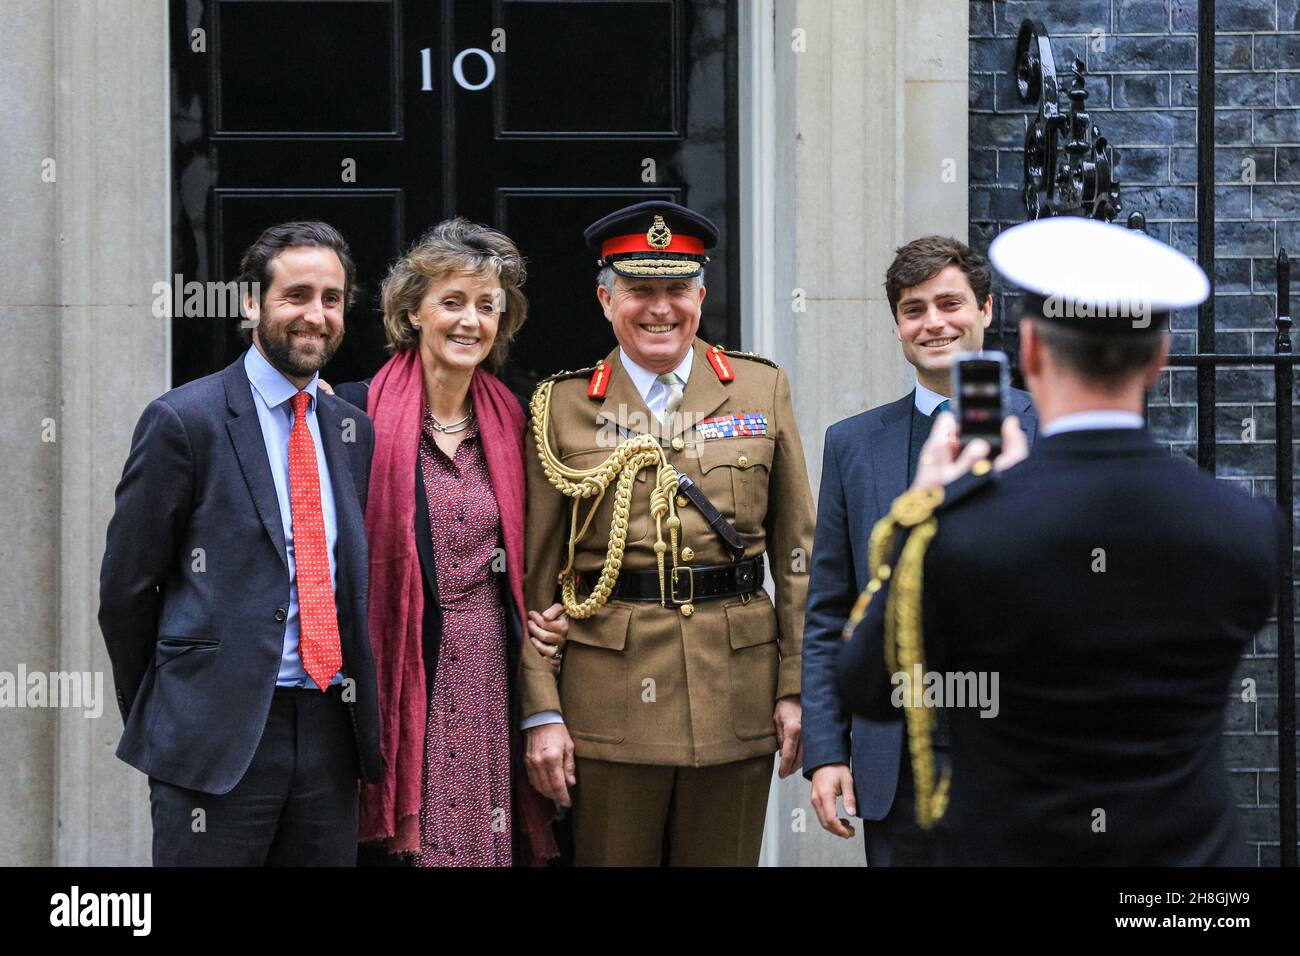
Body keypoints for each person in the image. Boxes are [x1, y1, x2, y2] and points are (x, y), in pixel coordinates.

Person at [836, 216, 1282, 865]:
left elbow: (867, 682)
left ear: (1034, 352)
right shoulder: (1247, 527)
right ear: (1158, 358)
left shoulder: (962, 528)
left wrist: (922, 507)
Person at [519, 200, 816, 866]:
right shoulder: (562, 405)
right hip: (609, 699)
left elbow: (799, 558)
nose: (661, 308)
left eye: (677, 289)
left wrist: (797, 686)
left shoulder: (760, 390)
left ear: (701, 295)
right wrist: (541, 709)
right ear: (605, 299)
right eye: (640, 290)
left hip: (738, 693)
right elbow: (537, 577)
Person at [99, 221, 382, 865]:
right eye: (297, 295)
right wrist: (171, 709)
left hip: (330, 731)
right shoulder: (184, 419)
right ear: (252, 303)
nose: (316, 315)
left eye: (332, 299)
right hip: (215, 737)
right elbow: (126, 591)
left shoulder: (350, 430)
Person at [332, 219, 563, 867]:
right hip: (397, 670)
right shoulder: (353, 416)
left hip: (489, 669)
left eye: (487, 307)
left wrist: (555, 605)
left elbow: (555, 542)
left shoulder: (519, 418)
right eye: (453, 302)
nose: (471, 321)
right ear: (412, 312)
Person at [802, 235, 1037, 865]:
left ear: (986, 310)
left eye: (949, 303)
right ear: (899, 327)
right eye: (913, 309)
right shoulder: (851, 444)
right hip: (894, 762)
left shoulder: (1049, 429)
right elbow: (830, 611)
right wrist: (826, 752)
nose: (933, 323)